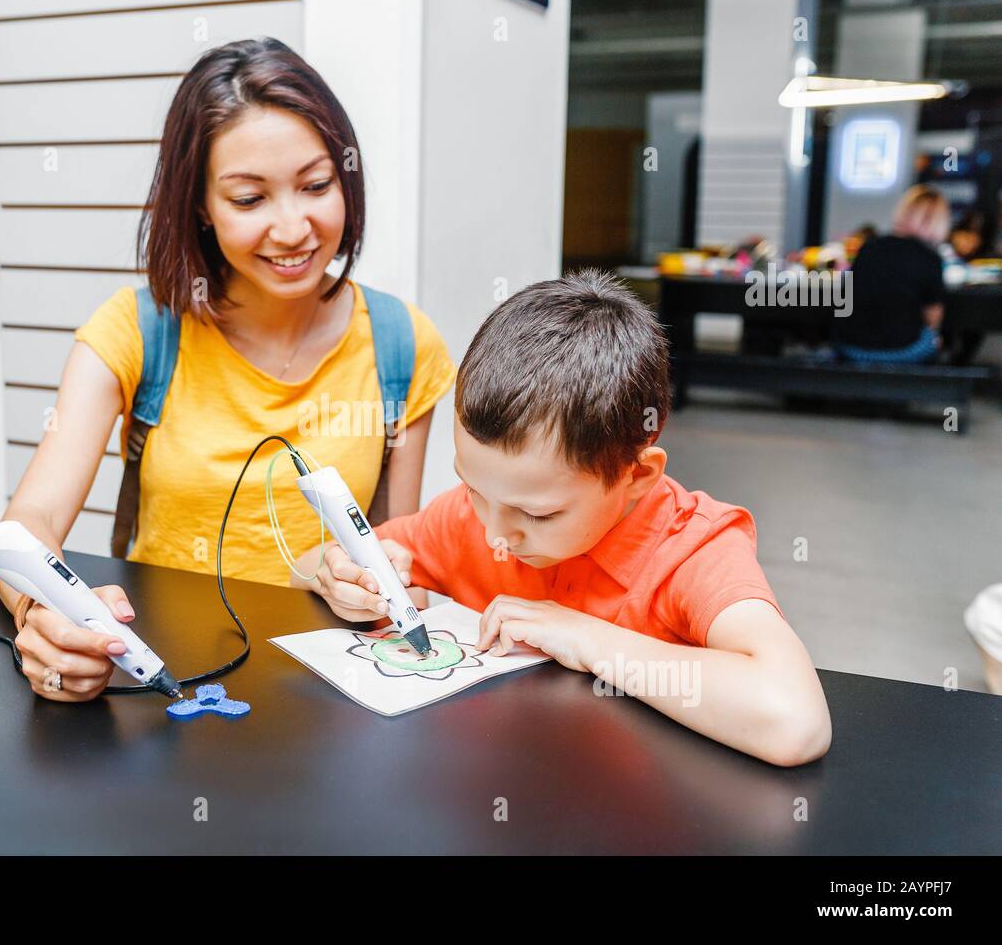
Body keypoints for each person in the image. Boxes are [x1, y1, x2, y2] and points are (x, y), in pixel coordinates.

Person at [0, 38, 455, 702]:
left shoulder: (402, 343)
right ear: (201, 208)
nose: (294, 228)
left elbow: (391, 549)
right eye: (249, 199)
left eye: (316, 185)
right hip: (168, 688)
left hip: (334, 695)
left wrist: (376, 581)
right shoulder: (137, 331)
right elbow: (27, 524)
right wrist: (42, 614)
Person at [295, 270, 832, 767]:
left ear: (636, 476)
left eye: (539, 513)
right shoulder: (470, 516)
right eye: (472, 486)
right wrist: (340, 575)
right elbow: (312, 562)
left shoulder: (694, 549)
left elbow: (794, 721)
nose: (495, 532)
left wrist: (587, 638)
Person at [832, 185, 950, 364]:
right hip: (901, 351)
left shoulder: (869, 247)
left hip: (850, 347)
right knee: (932, 339)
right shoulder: (930, 258)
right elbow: (933, 317)